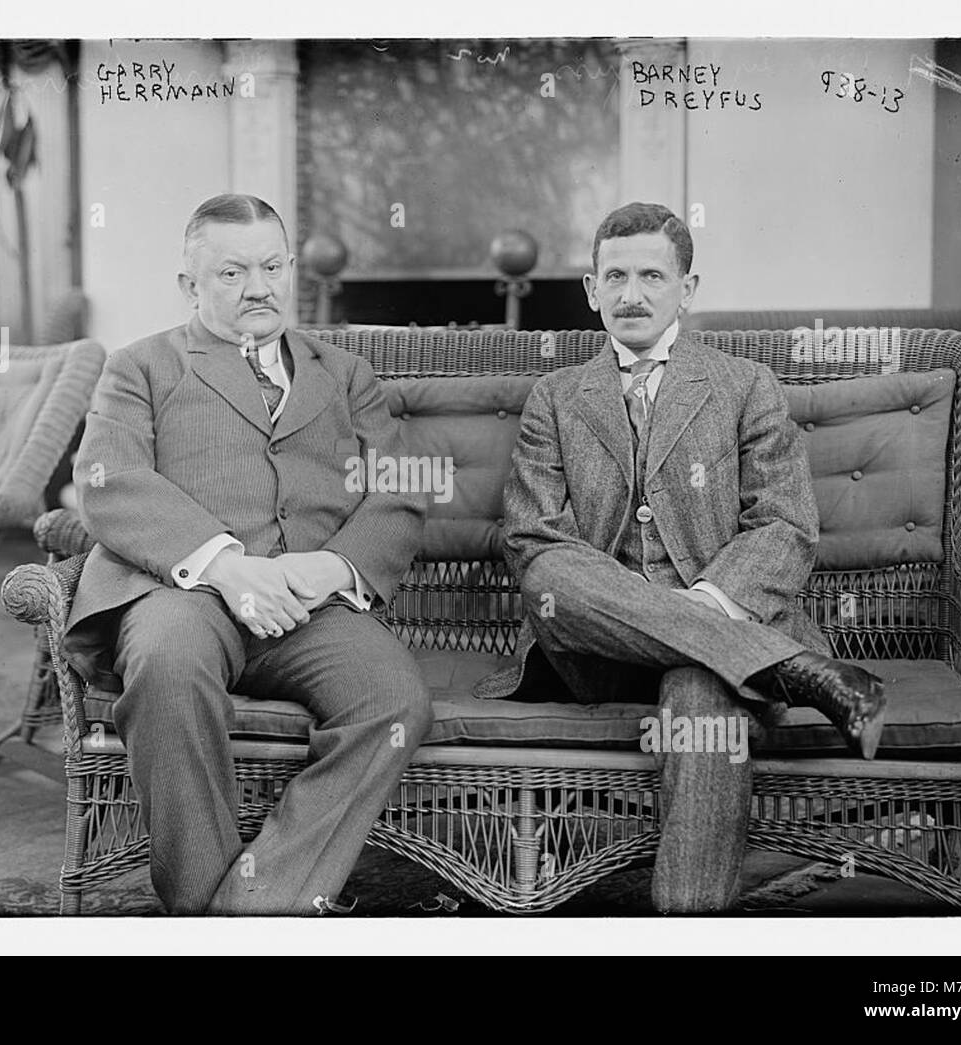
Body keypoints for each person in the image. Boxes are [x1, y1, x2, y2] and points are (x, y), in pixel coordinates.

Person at [476, 202, 887, 912]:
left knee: (703, 694)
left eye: (651, 276)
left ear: (686, 290)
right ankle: (783, 666)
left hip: (715, 643)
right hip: (596, 649)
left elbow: (785, 524)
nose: (632, 293)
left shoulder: (744, 385)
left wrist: (703, 611)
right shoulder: (557, 396)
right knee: (551, 570)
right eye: (616, 276)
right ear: (591, 289)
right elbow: (528, 537)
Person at [64, 194, 433, 915]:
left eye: (271, 266)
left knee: (392, 699)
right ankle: (203, 908)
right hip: (184, 594)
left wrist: (331, 567)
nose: (259, 287)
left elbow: (399, 491)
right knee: (167, 668)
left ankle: (254, 906)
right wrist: (230, 567)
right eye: (232, 272)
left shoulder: (346, 374)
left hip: (311, 602)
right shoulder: (141, 366)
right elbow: (108, 481)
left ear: (292, 268)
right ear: (189, 285)